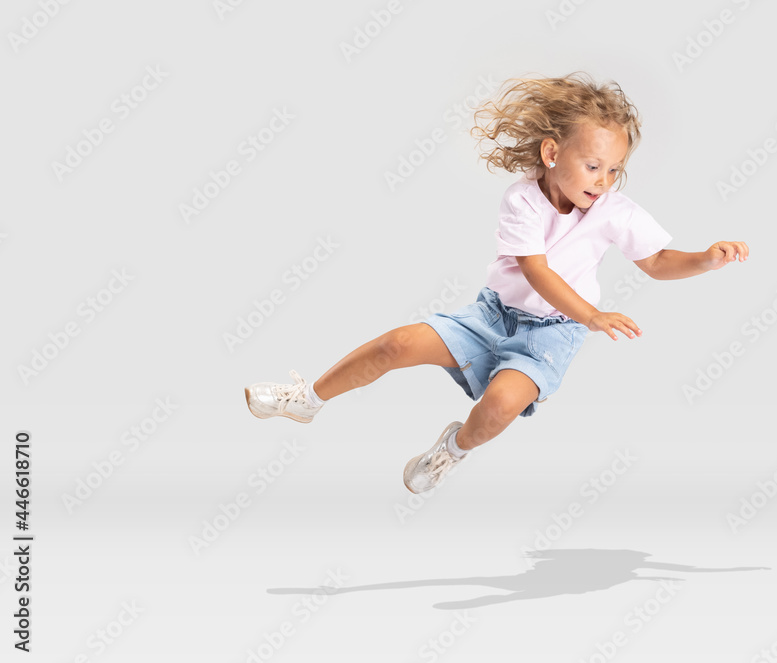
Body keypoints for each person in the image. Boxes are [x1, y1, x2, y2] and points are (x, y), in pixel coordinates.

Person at [245, 71, 749, 494]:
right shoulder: (522, 199)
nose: (603, 180)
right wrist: (593, 314)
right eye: (593, 166)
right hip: (492, 316)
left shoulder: (614, 211)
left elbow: (658, 260)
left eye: (614, 169)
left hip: (552, 334)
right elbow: (535, 269)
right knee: (397, 344)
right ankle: (307, 400)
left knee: (501, 405)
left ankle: (452, 449)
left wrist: (705, 259)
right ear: (553, 153)